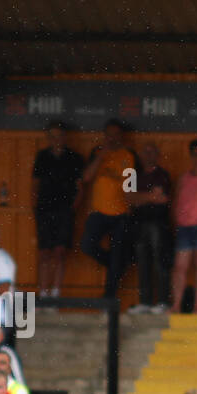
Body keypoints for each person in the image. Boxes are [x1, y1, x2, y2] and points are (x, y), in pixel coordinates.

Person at [79, 119, 135, 298]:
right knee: (87, 246)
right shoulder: (96, 152)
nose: (111, 138)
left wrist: (130, 208)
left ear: (121, 137)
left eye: (115, 135)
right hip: (98, 212)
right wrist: (101, 157)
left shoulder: (128, 156)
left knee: (118, 254)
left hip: (121, 213)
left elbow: (130, 187)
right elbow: (86, 177)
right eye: (108, 134)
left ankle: (108, 298)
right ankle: (117, 264)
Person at [31, 120, 83, 299]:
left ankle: (56, 292)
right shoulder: (42, 156)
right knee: (44, 252)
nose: (56, 140)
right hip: (44, 209)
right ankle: (43, 292)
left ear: (65, 137)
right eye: (52, 136)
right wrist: (36, 207)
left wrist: (72, 209)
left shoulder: (74, 158)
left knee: (60, 252)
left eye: (59, 136)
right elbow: (35, 185)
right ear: (48, 138)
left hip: (64, 210)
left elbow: (80, 187)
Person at [129, 141, 172, 314]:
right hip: (138, 223)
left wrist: (141, 197)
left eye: (152, 152)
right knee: (142, 262)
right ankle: (145, 301)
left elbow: (163, 198)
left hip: (158, 223)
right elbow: (129, 198)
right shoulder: (133, 174)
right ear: (140, 155)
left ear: (158, 155)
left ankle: (162, 301)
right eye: (145, 152)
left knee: (160, 261)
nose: (148, 156)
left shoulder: (163, 174)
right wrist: (150, 196)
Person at [171, 138, 197, 313]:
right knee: (180, 267)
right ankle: (177, 304)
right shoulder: (184, 178)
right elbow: (177, 200)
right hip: (184, 226)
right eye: (194, 155)